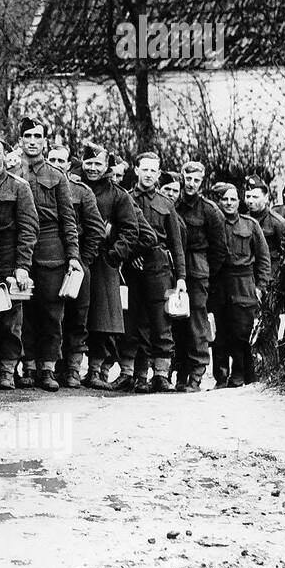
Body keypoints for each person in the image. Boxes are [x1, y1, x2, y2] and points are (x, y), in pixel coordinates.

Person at [18, 118, 82, 390]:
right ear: (20, 140)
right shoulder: (13, 171)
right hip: (21, 248)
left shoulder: (57, 177)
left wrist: (73, 256)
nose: (32, 140)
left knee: (51, 313)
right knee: (24, 312)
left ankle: (47, 367)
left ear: (44, 141)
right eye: (27, 135)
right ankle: (28, 365)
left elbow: (68, 220)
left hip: (49, 248)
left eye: (37, 136)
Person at [78, 144, 149, 391]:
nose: (93, 168)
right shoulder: (73, 187)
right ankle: (68, 369)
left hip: (103, 262)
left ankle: (95, 371)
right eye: (89, 163)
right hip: (76, 258)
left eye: (98, 164)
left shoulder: (118, 195)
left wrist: (114, 254)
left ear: (107, 166)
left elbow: (132, 230)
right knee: (75, 316)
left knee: (102, 320)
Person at [117, 152, 187, 393]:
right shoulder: (124, 198)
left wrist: (181, 278)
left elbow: (177, 244)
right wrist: (130, 255)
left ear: (158, 174)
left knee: (161, 320)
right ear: (136, 170)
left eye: (152, 171)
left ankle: (161, 374)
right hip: (132, 268)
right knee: (134, 321)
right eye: (143, 169)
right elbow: (119, 234)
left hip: (159, 268)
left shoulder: (166, 203)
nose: (148, 174)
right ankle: (135, 375)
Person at [0, 134, 37, 389]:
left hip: (10, 262)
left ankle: (7, 369)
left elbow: (28, 229)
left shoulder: (19, 187)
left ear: (5, 156)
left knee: (11, 320)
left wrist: (22, 267)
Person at [47, 144, 106, 388]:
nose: (57, 164)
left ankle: (72, 368)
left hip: (77, 265)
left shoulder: (81, 193)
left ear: (70, 165)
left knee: (77, 317)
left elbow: (96, 230)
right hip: (50, 261)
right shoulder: (38, 188)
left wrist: (84, 260)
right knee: (50, 316)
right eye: (52, 159)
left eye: (62, 161)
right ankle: (50, 367)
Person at [173, 161, 227, 392]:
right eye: (188, 178)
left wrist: (205, 272)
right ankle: (178, 371)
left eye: (196, 179)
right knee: (175, 320)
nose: (191, 183)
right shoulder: (173, 204)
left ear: (202, 181)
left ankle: (196, 373)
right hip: (173, 266)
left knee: (196, 321)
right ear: (182, 177)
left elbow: (219, 248)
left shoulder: (210, 210)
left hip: (197, 269)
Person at [210, 182, 269, 386]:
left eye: (233, 199)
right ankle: (220, 376)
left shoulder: (250, 224)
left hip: (243, 282)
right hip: (218, 281)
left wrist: (261, 287)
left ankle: (239, 373)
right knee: (219, 331)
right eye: (224, 199)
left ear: (239, 201)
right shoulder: (213, 223)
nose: (229, 203)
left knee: (241, 331)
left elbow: (263, 258)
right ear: (218, 201)